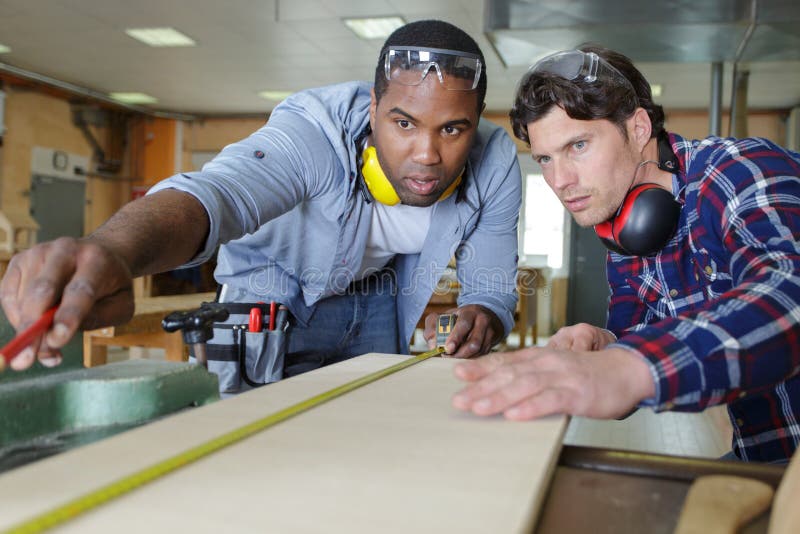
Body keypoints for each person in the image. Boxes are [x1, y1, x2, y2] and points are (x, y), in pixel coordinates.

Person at [0, 20, 522, 394]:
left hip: (379, 299)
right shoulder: (314, 131)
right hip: (273, 293)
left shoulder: (494, 163)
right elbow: (217, 194)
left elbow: (492, 287)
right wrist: (114, 249)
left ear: (476, 123)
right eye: (404, 123)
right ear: (372, 108)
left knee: (371, 430)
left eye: (452, 128)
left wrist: (483, 315)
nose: (427, 155)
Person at [452, 45, 800, 463]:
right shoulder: (624, 236)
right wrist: (607, 345)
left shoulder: (740, 169)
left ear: (637, 129)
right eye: (545, 158)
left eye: (578, 145)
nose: (559, 180)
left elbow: (789, 293)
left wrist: (629, 369)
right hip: (767, 457)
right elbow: (633, 344)